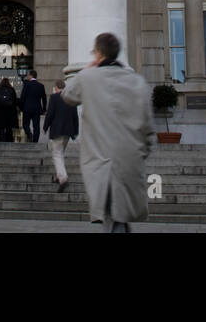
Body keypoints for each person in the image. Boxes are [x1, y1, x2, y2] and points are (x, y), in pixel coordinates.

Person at [62, 32, 154, 232]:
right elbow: (148, 132)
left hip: (100, 161)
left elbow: (68, 95)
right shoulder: (138, 82)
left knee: (113, 216)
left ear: (98, 53)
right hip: (130, 160)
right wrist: (139, 153)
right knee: (118, 216)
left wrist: (88, 67)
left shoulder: (88, 77)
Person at [43, 79, 79, 190]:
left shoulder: (54, 98)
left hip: (57, 130)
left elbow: (50, 114)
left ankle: (63, 178)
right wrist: (76, 131)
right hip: (68, 131)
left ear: (56, 87)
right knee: (60, 153)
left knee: (57, 154)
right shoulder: (70, 98)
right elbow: (75, 116)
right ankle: (59, 176)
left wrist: (45, 126)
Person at [20, 69, 47, 143]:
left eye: (28, 75)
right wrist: (44, 109)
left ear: (31, 76)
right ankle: (35, 141)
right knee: (36, 126)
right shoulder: (41, 86)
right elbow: (44, 98)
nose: (28, 77)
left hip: (27, 108)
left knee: (25, 124)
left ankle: (29, 134)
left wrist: (21, 107)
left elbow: (22, 97)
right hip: (37, 109)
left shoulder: (27, 84)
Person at [0, 77, 19, 143]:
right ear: (8, 83)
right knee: (9, 127)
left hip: (0, 111)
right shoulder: (12, 89)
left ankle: (2, 140)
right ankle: (9, 141)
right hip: (9, 111)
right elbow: (15, 101)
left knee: (1, 127)